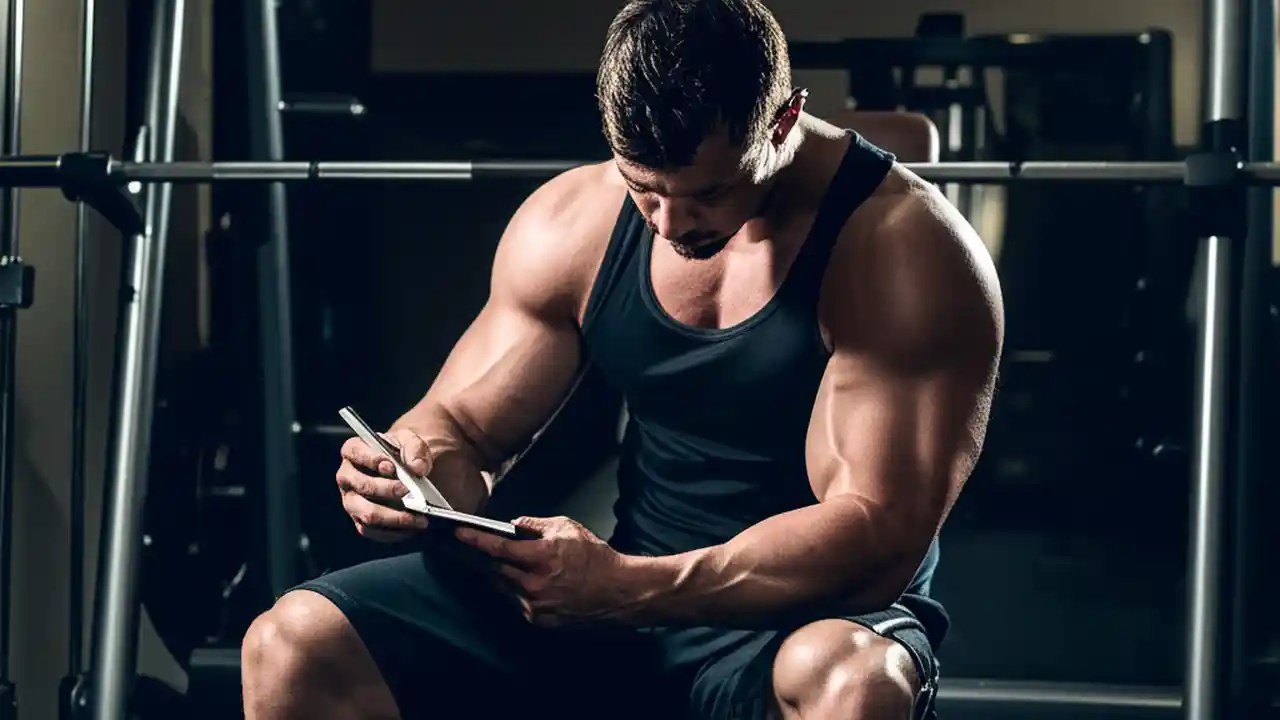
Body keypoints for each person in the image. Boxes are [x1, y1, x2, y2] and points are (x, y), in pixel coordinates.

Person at [240, 1, 1003, 718]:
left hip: (800, 616)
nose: (673, 223)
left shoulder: (903, 252)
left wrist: (634, 589)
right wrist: (407, 476)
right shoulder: (576, 221)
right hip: (619, 592)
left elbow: (877, 538)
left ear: (784, 120)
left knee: (851, 682)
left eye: (708, 191)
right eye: (646, 189)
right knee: (293, 642)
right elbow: (463, 432)